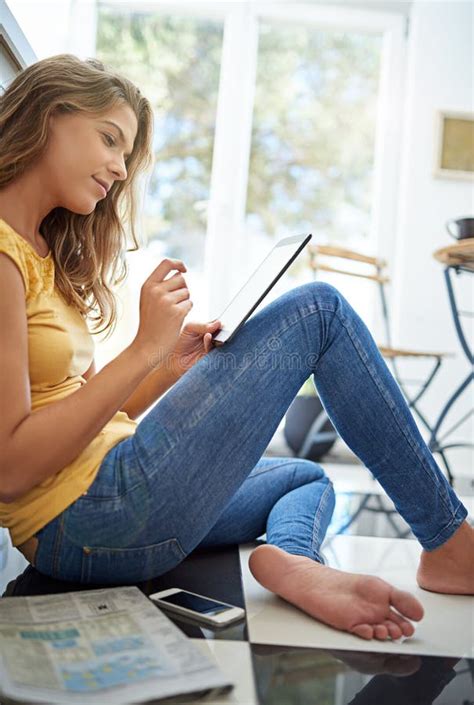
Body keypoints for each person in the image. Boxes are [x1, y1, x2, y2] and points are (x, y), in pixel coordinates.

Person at [0, 55, 472, 643]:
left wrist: (167, 364)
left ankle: (293, 559)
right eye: (110, 140)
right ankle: (451, 541)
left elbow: (101, 413)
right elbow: (11, 470)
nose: (120, 168)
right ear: (48, 116)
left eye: (126, 153)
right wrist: (143, 347)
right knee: (318, 310)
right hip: (91, 514)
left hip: (111, 500)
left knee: (300, 477)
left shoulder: (41, 251)